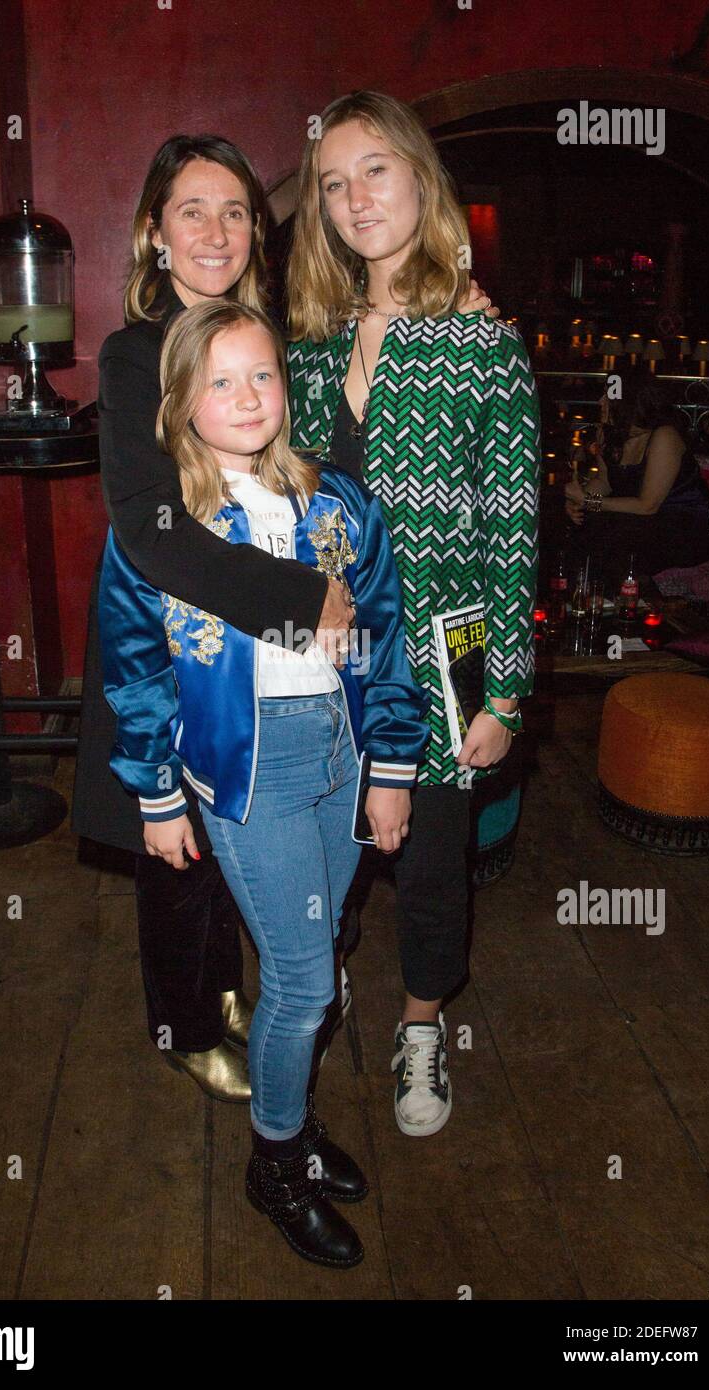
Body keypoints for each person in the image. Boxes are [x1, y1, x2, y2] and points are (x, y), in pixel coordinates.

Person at [71, 133, 497, 1102]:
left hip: (295, 686)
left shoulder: (275, 340)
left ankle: (238, 995)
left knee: (247, 868)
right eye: (192, 210)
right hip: (189, 646)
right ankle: (187, 1023)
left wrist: (446, 311)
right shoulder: (140, 352)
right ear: (154, 234)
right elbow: (150, 524)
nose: (217, 230)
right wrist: (306, 607)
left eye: (235, 212)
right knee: (177, 858)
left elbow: (332, 446)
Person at [98, 299, 431, 1268]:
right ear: (180, 406)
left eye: (262, 375)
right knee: (297, 983)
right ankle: (276, 1164)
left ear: (288, 389)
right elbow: (135, 669)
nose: (246, 397)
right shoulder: (164, 529)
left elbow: (384, 644)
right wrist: (157, 794)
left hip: (340, 756)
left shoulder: (339, 504)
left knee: (323, 961)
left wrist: (391, 769)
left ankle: (295, 1120)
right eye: (219, 380)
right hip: (250, 775)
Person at [285, 90, 541, 1138]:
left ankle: (423, 1024)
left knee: (432, 864)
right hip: (320, 657)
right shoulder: (304, 345)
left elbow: (516, 529)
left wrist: (508, 689)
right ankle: (319, 979)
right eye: (334, 182)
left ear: (420, 178)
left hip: (442, 656)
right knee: (320, 851)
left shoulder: (482, 348)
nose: (355, 198)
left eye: (375, 170)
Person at [563, 368, 709, 587]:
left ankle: (617, 602)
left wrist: (589, 502)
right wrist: (577, 502)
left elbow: (648, 505)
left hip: (684, 522)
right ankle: (579, 598)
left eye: (607, 395)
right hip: (640, 517)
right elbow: (605, 482)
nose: (600, 401)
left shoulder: (664, 436)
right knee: (579, 527)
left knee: (616, 534)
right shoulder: (608, 434)